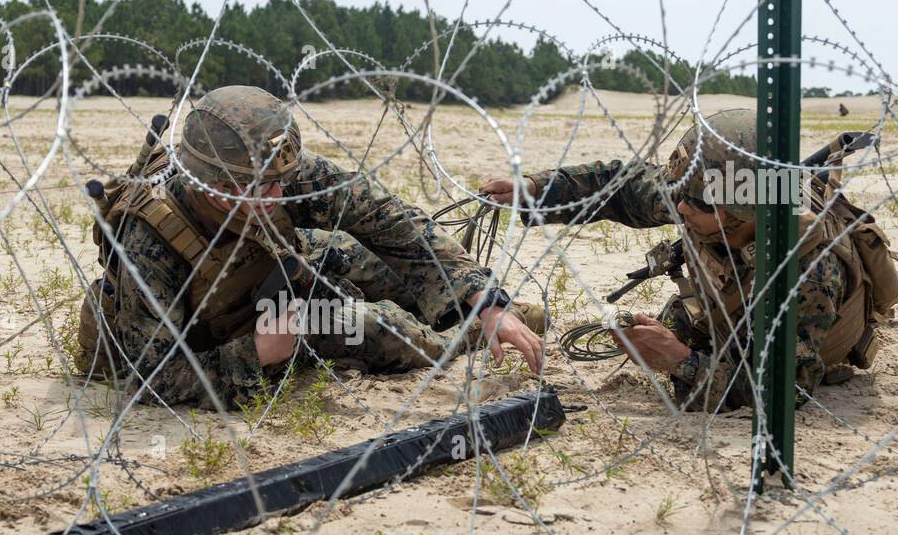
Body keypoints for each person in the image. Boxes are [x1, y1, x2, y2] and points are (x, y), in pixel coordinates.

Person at [75, 85, 545, 406]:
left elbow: (391, 223)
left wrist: (484, 299)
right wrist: (258, 352)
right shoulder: (150, 243)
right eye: (260, 188)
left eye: (282, 182)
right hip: (218, 331)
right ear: (209, 186)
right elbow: (154, 379)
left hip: (273, 268)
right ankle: (460, 339)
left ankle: (491, 317)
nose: (279, 193)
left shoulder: (271, 168)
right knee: (372, 326)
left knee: (371, 261)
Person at [480, 108, 898, 410]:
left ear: (742, 211)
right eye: (679, 194)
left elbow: (784, 392)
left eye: (693, 203)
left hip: (801, 343)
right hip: (731, 310)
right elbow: (622, 186)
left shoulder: (807, 270)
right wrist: (538, 190)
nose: (679, 209)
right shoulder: (706, 192)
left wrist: (679, 360)